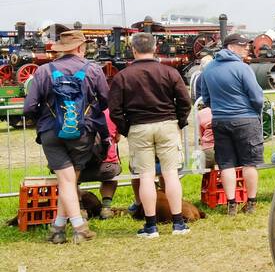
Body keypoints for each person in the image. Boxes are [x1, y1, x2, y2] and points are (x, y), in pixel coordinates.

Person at [20, 28, 109, 243]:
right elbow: (106, 100)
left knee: (66, 181)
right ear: (80, 47)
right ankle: (79, 228)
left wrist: (40, 120)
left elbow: (29, 107)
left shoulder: (43, 71)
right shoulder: (93, 69)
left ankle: (59, 229)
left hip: (51, 132)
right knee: (69, 180)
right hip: (81, 133)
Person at [108, 32, 193, 237]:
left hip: (139, 127)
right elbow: (184, 101)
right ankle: (178, 223)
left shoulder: (122, 76)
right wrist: (179, 122)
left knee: (145, 176)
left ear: (133, 50)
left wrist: (127, 128)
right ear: (155, 48)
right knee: (171, 174)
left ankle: (151, 225)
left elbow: (115, 110)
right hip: (167, 124)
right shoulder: (169, 72)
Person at [196, 33, 264, 214]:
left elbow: (205, 97)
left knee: (226, 164)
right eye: (243, 46)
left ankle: (231, 204)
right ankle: (250, 203)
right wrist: (254, 111)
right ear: (231, 47)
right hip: (246, 119)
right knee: (250, 163)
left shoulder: (208, 69)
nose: (247, 48)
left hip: (219, 120)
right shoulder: (242, 68)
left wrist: (218, 109)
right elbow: (257, 96)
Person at [79, 109, 122, 219]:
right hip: (106, 168)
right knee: (114, 171)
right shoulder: (111, 112)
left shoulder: (78, 109)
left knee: (69, 179)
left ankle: (80, 209)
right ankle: (106, 208)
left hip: (80, 168)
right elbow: (117, 139)